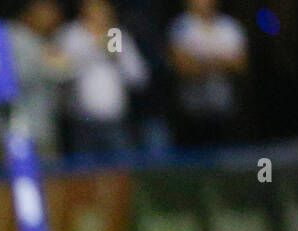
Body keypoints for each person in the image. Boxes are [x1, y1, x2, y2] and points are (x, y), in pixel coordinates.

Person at [59, 0, 148, 158]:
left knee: (121, 171)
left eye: (102, 11)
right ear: (83, 11)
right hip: (81, 120)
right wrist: (93, 49)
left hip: (115, 119)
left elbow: (138, 78)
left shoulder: (116, 35)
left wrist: (117, 56)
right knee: (85, 174)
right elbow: (61, 73)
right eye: (93, 10)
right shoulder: (72, 35)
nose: (98, 15)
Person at [0, 0, 70, 163]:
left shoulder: (41, 40)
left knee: (51, 184)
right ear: (32, 13)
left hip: (43, 130)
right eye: (48, 12)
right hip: (17, 135)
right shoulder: (11, 37)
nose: (54, 18)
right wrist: (44, 65)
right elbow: (8, 80)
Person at [167, 0, 247, 148]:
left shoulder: (229, 26)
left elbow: (240, 65)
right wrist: (220, 61)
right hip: (193, 109)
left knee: (228, 158)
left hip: (224, 105)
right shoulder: (180, 27)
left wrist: (201, 61)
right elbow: (183, 68)